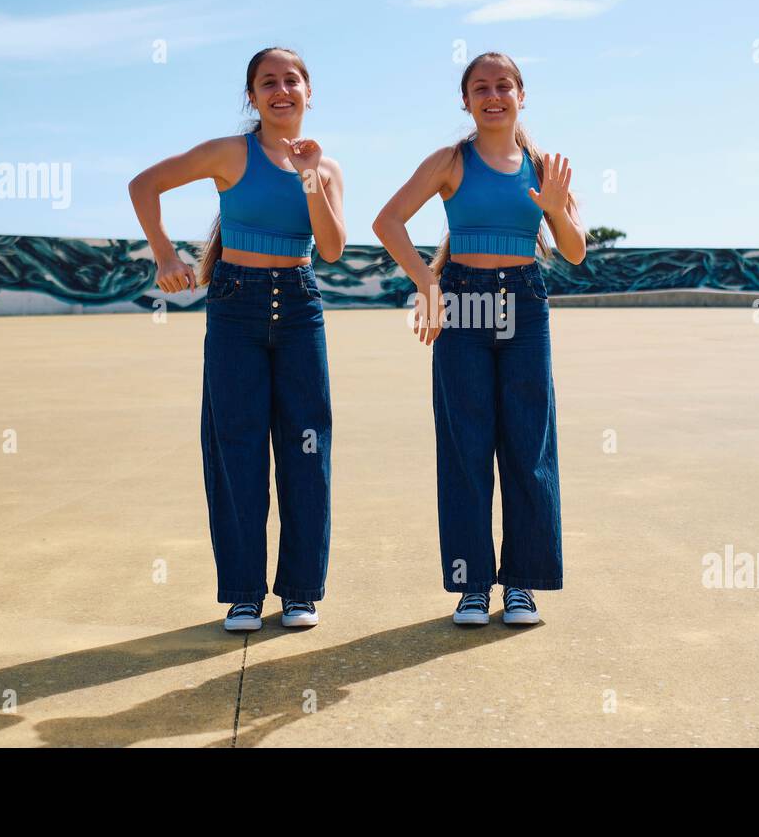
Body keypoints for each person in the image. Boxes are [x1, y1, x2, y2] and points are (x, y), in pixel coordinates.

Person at [128, 47, 345, 632]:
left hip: (300, 307)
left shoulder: (325, 169)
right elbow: (145, 184)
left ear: (308, 91)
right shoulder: (230, 153)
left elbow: (329, 249)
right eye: (267, 82)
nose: (281, 89)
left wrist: (308, 178)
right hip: (235, 305)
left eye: (291, 79)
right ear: (252, 97)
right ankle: (244, 592)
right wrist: (165, 252)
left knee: (306, 449)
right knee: (236, 449)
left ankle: (300, 591)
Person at [373, 51, 585, 626]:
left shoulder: (543, 166)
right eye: (481, 88)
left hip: (525, 299)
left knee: (527, 445)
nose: (493, 96)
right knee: (466, 446)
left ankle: (522, 584)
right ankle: (471, 586)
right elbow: (388, 221)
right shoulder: (450, 160)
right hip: (462, 299)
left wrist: (554, 209)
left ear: (521, 94)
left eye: (504, 86)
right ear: (465, 101)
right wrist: (429, 283)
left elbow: (573, 250)